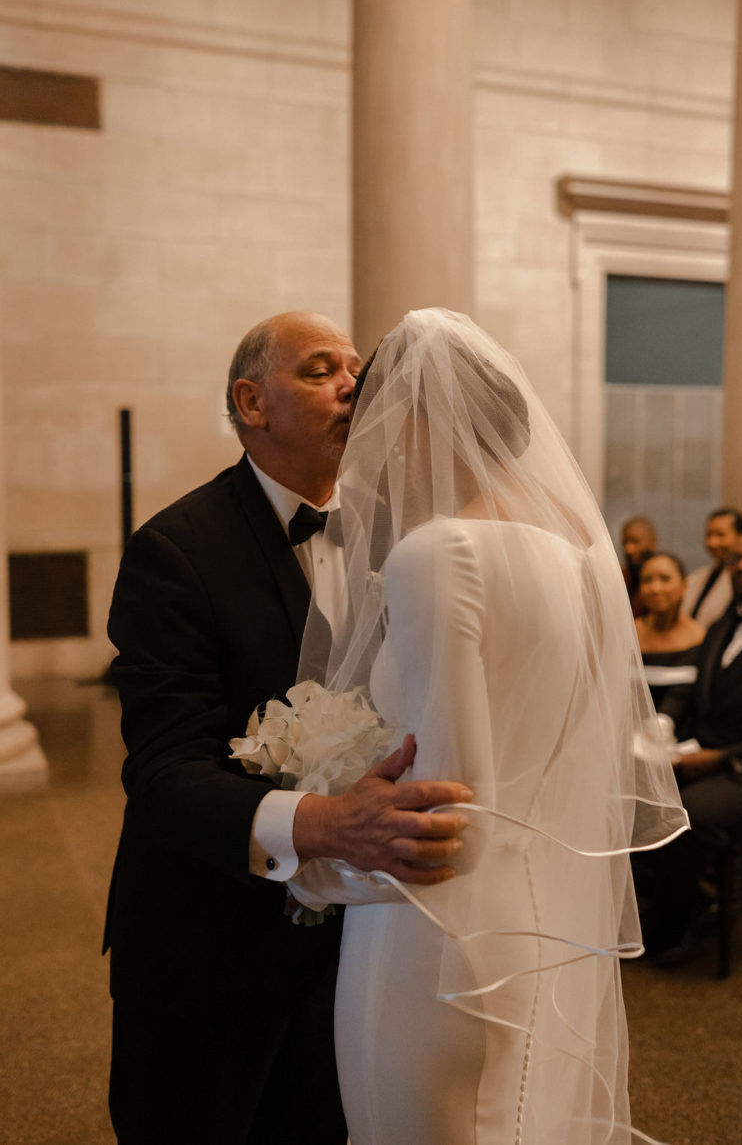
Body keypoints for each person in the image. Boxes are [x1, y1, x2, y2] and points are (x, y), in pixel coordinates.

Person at [278, 309, 688, 1144]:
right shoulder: (576, 561)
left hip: (431, 938)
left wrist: (313, 867)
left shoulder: (438, 554)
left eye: (375, 421)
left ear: (415, 419)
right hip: (536, 921)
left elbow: (447, 818)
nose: (368, 449)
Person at [104, 310, 472, 1145]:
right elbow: (163, 774)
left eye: (356, 369)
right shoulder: (176, 550)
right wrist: (323, 824)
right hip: (212, 937)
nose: (353, 386)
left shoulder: (404, 536)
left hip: (365, 938)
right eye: (319, 370)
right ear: (252, 403)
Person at [641, 527, 742, 963]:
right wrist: (663, 725)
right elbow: (690, 690)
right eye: (737, 559)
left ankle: (668, 930)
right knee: (631, 793)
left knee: (687, 815)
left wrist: (723, 759)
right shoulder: (719, 627)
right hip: (704, 753)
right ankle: (681, 902)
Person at [635, 552, 704, 708]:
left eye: (665, 579)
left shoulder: (700, 638)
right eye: (647, 580)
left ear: (684, 586)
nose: (655, 588)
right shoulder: (629, 634)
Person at [680, 507, 742, 629]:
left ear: (741, 536)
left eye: (720, 535)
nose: (712, 542)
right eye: (708, 535)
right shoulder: (699, 576)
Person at [621, 516, 658, 616]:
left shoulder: (663, 576)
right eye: (625, 543)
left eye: (635, 542)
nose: (628, 549)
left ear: (652, 542)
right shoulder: (622, 576)